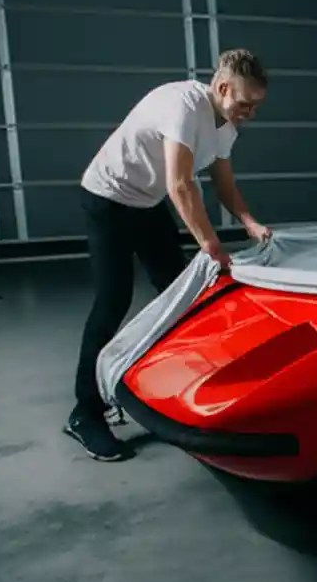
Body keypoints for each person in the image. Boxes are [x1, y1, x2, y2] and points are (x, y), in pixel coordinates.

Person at [66, 49, 273, 461]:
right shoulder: (184, 105)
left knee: (181, 296)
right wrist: (211, 246)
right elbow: (180, 185)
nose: (249, 112)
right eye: (244, 103)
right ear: (221, 87)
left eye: (256, 106)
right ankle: (85, 413)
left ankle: (168, 391)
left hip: (146, 203)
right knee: (113, 300)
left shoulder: (226, 125)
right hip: (107, 198)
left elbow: (223, 184)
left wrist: (250, 223)